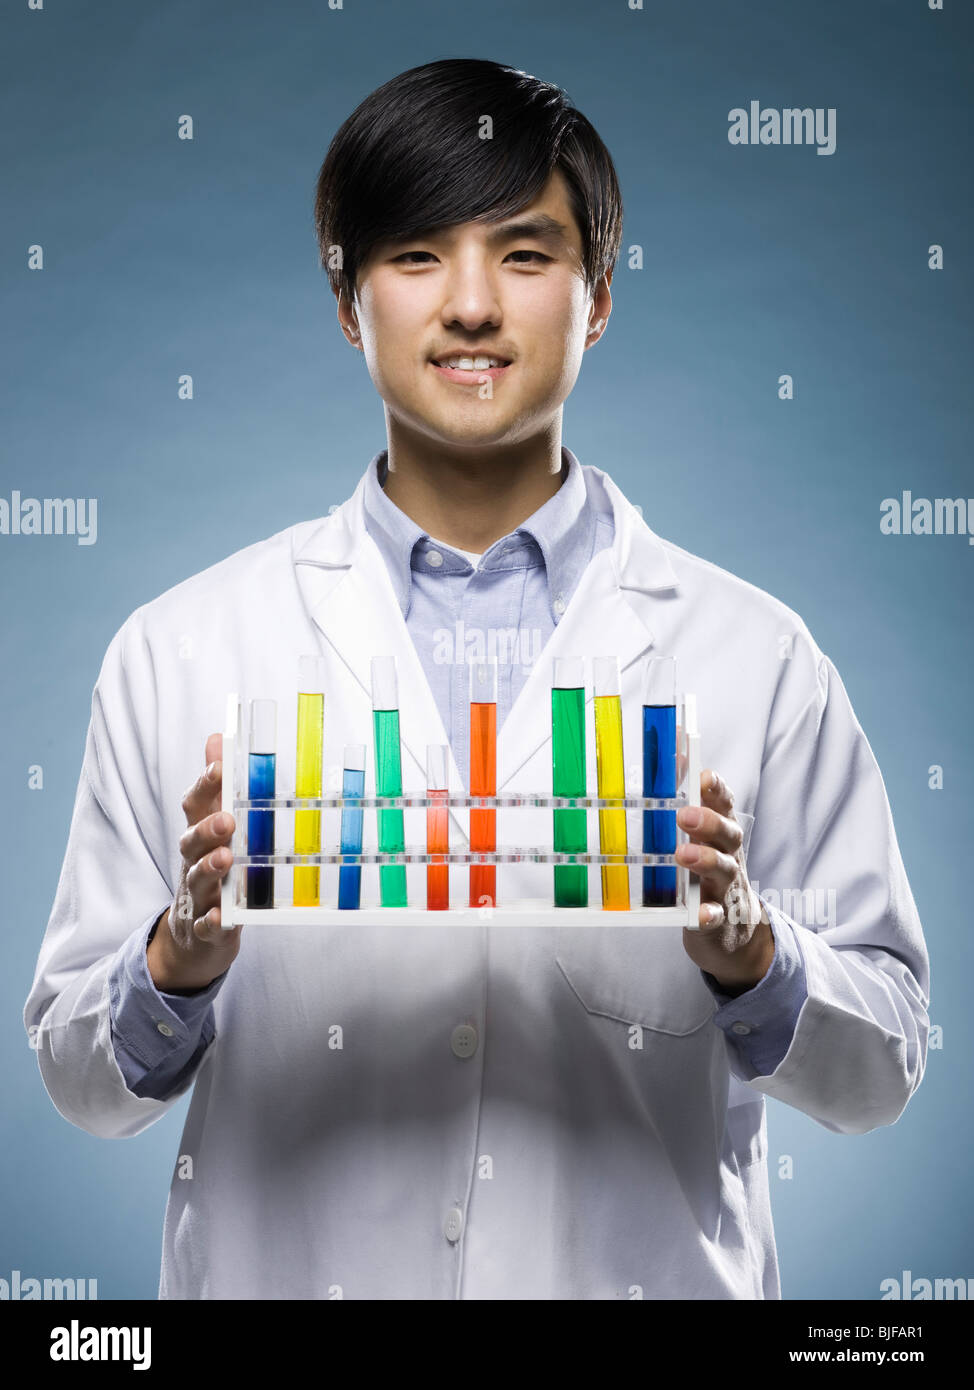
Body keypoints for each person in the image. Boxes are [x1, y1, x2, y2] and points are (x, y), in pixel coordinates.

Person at [24, 57, 929, 1301]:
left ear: (597, 295)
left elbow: (882, 1067)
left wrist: (753, 955)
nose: (467, 307)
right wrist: (177, 961)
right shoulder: (178, 649)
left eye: (522, 254)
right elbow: (79, 1081)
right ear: (348, 301)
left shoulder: (754, 655)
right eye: (412, 256)